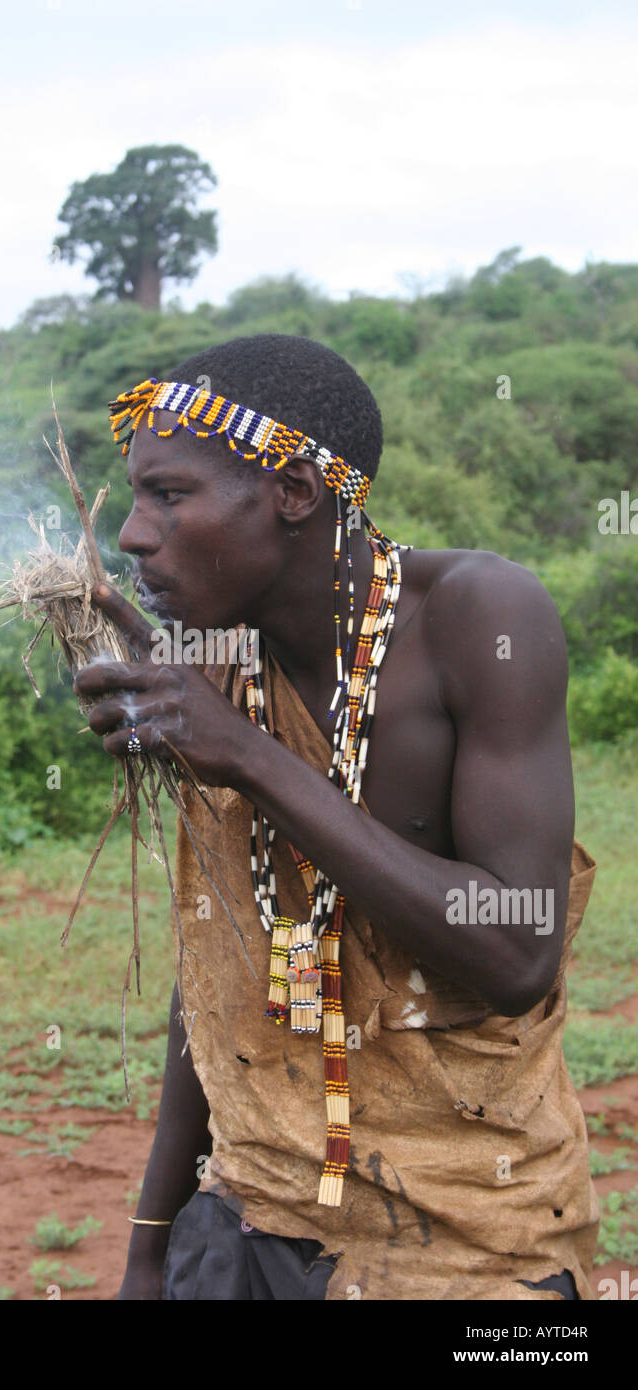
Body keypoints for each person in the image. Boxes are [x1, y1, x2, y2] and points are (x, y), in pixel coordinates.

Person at [73, 333, 599, 1301]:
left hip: (473, 1238)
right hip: (251, 1212)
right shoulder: (217, 659)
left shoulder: (480, 619)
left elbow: (517, 953)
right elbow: (218, 968)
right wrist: (149, 1246)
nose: (135, 535)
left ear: (294, 492)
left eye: (169, 494)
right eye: (136, 497)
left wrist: (243, 754)